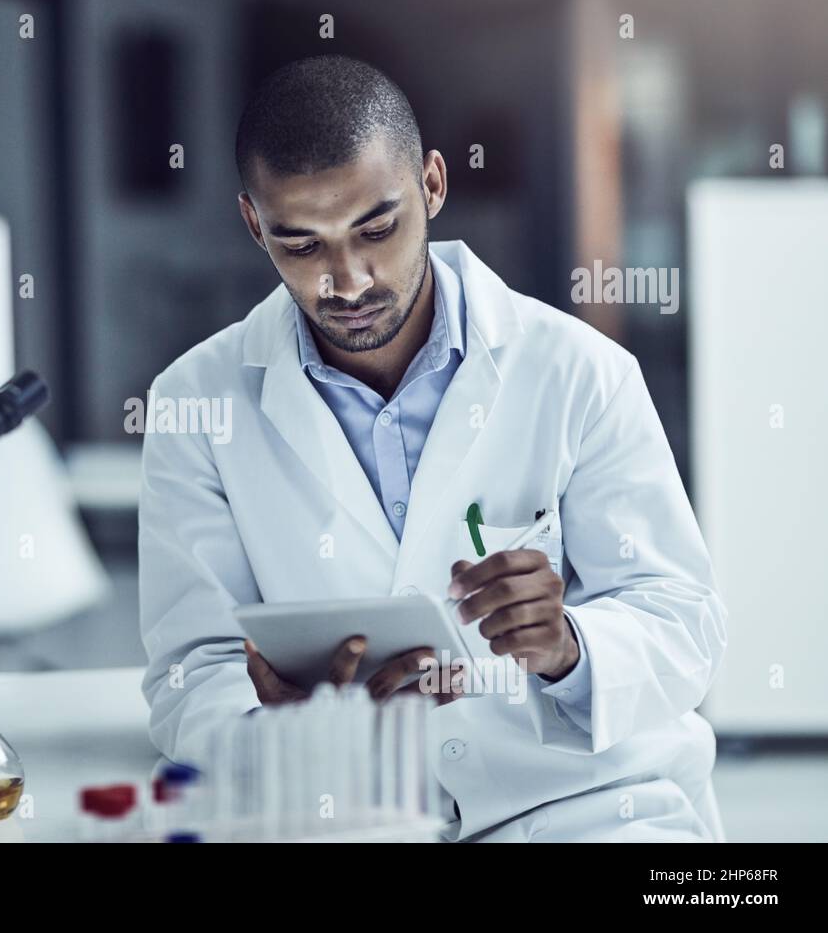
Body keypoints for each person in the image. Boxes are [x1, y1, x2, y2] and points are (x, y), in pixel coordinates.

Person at [138, 55, 726, 842]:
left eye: (377, 229)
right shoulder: (194, 402)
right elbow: (189, 672)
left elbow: (683, 622)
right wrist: (275, 727)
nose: (346, 281)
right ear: (254, 224)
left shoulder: (579, 372)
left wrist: (568, 646)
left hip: (584, 808)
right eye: (301, 245)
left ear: (433, 185)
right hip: (346, 810)